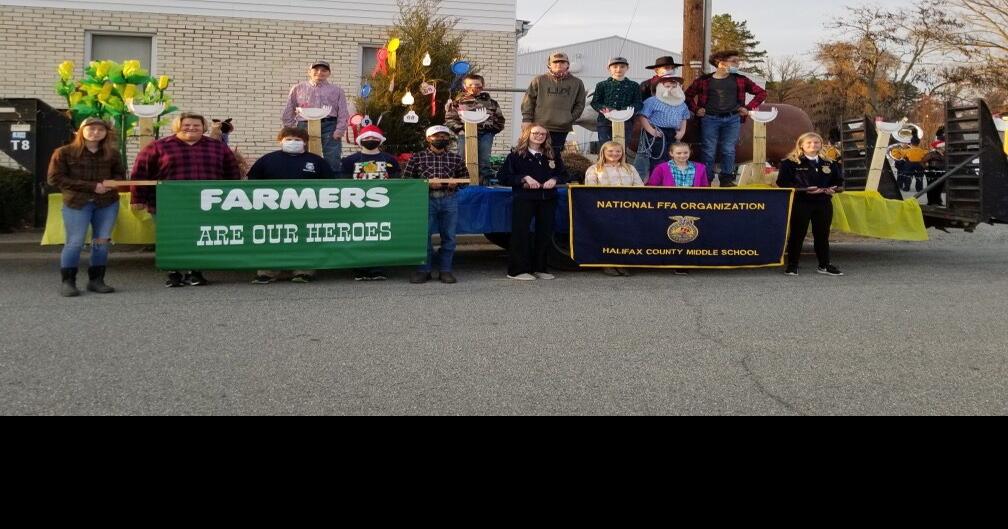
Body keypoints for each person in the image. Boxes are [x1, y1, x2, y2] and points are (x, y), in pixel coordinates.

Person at [131, 112, 241, 287]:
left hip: (205, 203)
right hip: (167, 203)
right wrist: (138, 198)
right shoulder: (158, 147)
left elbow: (232, 173)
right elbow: (140, 172)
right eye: (187, 125)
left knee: (200, 236)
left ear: (203, 127)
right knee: (170, 238)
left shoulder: (217, 147)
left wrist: (234, 196)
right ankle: (173, 272)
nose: (191, 128)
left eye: (196, 125)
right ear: (178, 126)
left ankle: (195, 271)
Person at [246, 127, 334, 285]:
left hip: (307, 211)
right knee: (272, 240)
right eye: (289, 139)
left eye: (297, 139)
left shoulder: (317, 161)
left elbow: (330, 184)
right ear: (280, 141)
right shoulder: (267, 160)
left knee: (305, 240)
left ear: (305, 142)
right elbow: (252, 183)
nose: (293, 142)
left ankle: (304, 271)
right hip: (273, 211)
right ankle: (267, 271)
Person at [47, 117, 123, 297]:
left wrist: (111, 184)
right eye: (91, 129)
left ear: (106, 133)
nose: (95, 132)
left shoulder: (112, 153)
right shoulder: (63, 152)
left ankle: (96, 280)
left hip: (107, 203)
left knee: (101, 242)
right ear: (81, 131)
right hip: (77, 203)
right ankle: (68, 282)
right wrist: (92, 186)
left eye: (100, 129)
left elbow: (120, 174)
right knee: (75, 243)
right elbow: (54, 178)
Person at [685, 50, 768, 188]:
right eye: (734, 61)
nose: (738, 63)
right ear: (721, 62)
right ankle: (706, 180)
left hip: (732, 119)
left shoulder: (740, 79)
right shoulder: (704, 80)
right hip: (709, 119)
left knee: (728, 149)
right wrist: (696, 109)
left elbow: (761, 92)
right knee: (708, 150)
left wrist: (748, 108)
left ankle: (726, 180)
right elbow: (687, 96)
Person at [496, 124, 567, 281]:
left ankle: (540, 268)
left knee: (545, 233)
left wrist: (554, 180)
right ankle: (517, 270)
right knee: (521, 233)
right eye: (535, 133)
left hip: (548, 199)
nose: (539, 136)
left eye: (543, 134)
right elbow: (503, 177)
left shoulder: (552, 155)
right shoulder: (516, 155)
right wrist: (523, 178)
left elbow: (563, 174)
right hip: (524, 199)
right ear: (528, 134)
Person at [402, 125, 469, 284]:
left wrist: (456, 184)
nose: (441, 139)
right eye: (436, 136)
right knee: (423, 236)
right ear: (428, 139)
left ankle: (445, 270)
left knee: (449, 237)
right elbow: (406, 181)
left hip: (449, 199)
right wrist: (426, 185)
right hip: (425, 200)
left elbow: (465, 180)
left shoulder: (456, 158)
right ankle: (423, 270)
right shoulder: (417, 157)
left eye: (444, 136)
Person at [776, 132, 845, 277]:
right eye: (809, 143)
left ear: (821, 144)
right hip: (801, 203)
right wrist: (805, 190)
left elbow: (839, 183)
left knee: (822, 235)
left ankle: (824, 265)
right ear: (801, 145)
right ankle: (792, 265)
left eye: (816, 142)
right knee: (797, 234)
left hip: (823, 203)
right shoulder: (790, 162)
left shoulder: (830, 163)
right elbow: (782, 184)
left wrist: (834, 189)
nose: (813, 145)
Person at [340, 124, 401, 281]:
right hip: (356, 206)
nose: (370, 140)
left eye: (374, 138)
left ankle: (378, 268)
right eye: (367, 138)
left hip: (383, 205)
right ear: (361, 140)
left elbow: (397, 182)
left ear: (380, 140)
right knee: (358, 236)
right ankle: (359, 268)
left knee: (380, 236)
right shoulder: (349, 161)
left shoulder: (390, 160)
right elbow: (343, 184)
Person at [584, 141, 643, 277]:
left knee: (625, 236)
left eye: (618, 151)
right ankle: (607, 263)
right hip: (605, 209)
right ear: (603, 152)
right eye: (610, 151)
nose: (614, 154)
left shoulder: (630, 168)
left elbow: (639, 187)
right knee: (607, 235)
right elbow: (590, 190)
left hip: (627, 209)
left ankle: (622, 262)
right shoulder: (594, 169)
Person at [281, 60, 349, 172]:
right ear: (309, 72)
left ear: (329, 73)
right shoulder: (298, 88)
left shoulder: (337, 91)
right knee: (301, 154)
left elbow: (343, 112)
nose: (319, 72)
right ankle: (302, 179)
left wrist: (340, 130)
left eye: (324, 70)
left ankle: (332, 182)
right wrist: (292, 129)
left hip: (330, 126)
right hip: (304, 126)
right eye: (316, 69)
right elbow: (289, 109)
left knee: (333, 156)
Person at [444, 74, 505, 185]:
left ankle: (485, 184)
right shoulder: (458, 102)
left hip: (485, 135)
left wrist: (491, 131)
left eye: (477, 85)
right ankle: (462, 183)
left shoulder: (491, 103)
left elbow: (500, 119)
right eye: (470, 85)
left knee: (484, 160)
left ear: (483, 85)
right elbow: (450, 118)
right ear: (464, 86)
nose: (474, 87)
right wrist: (460, 131)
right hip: (465, 134)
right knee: (463, 157)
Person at [521, 52, 587, 153]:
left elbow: (580, 104)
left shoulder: (577, 83)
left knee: (554, 155)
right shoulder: (539, 80)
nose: (559, 64)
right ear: (549, 65)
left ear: (568, 65)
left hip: (561, 128)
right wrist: (526, 120)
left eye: (562, 62)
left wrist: (569, 118)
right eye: (555, 62)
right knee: (534, 153)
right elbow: (528, 101)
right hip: (539, 126)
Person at [634, 56, 682, 179]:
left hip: (670, 126)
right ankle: (648, 179)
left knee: (668, 154)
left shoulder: (677, 86)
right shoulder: (646, 85)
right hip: (651, 125)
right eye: (666, 67)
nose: (670, 70)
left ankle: (666, 179)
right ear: (656, 70)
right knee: (649, 154)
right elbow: (640, 105)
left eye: (672, 68)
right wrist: (648, 126)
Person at [638, 74, 691, 165]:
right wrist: (651, 130)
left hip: (673, 133)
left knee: (673, 158)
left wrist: (682, 132)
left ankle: (668, 178)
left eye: (674, 86)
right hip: (657, 133)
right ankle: (657, 178)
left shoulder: (681, 103)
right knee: (658, 158)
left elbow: (684, 118)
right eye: (667, 86)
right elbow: (642, 116)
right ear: (660, 87)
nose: (670, 89)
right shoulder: (652, 101)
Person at [590, 57, 642, 144]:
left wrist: (626, 110)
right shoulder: (601, 85)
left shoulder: (634, 86)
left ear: (627, 68)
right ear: (609, 68)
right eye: (615, 67)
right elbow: (595, 102)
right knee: (606, 147)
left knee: (621, 148)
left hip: (626, 123)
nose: (618, 69)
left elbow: (639, 103)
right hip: (605, 123)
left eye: (622, 66)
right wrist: (606, 109)